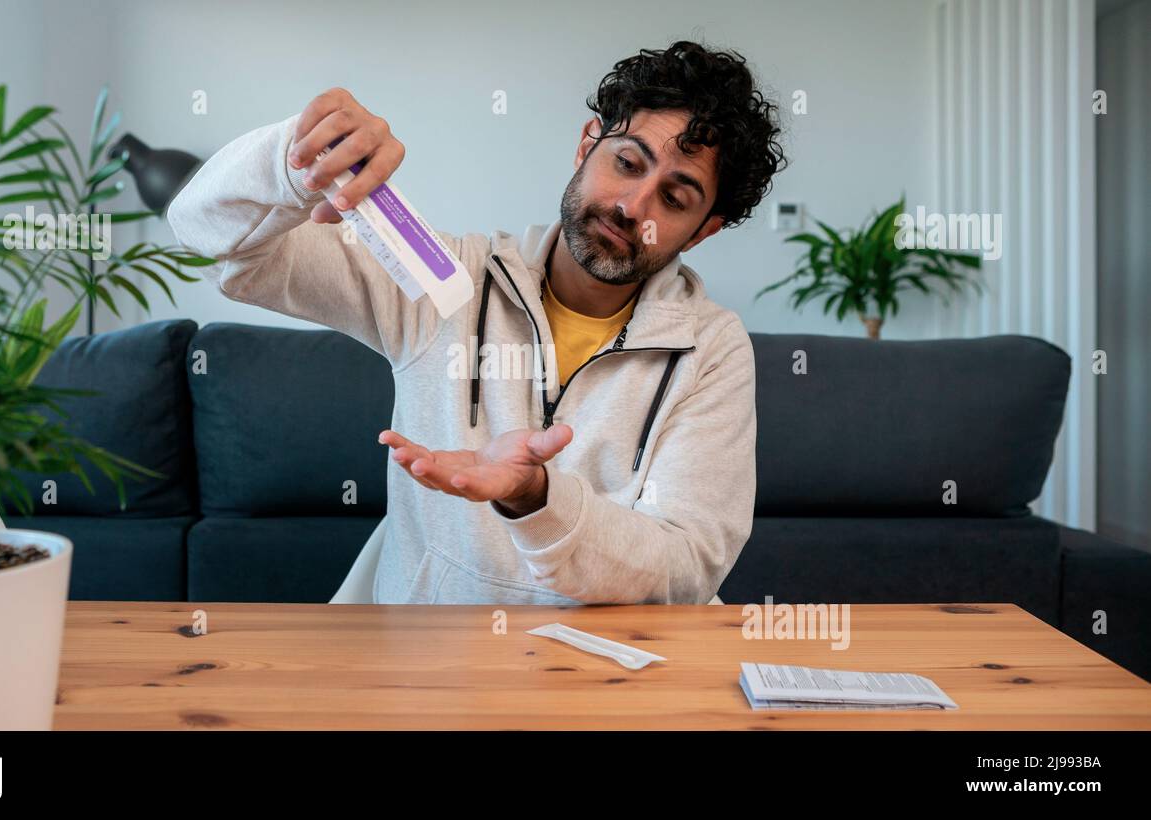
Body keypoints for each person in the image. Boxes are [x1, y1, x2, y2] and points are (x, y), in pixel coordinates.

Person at [167, 40, 786, 604]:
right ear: (585, 145)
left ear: (703, 231)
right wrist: (292, 156)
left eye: (674, 198)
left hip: (604, 688)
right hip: (427, 675)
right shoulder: (442, 281)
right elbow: (207, 238)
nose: (631, 207)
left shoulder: (711, 349)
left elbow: (687, 567)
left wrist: (537, 498)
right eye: (627, 162)